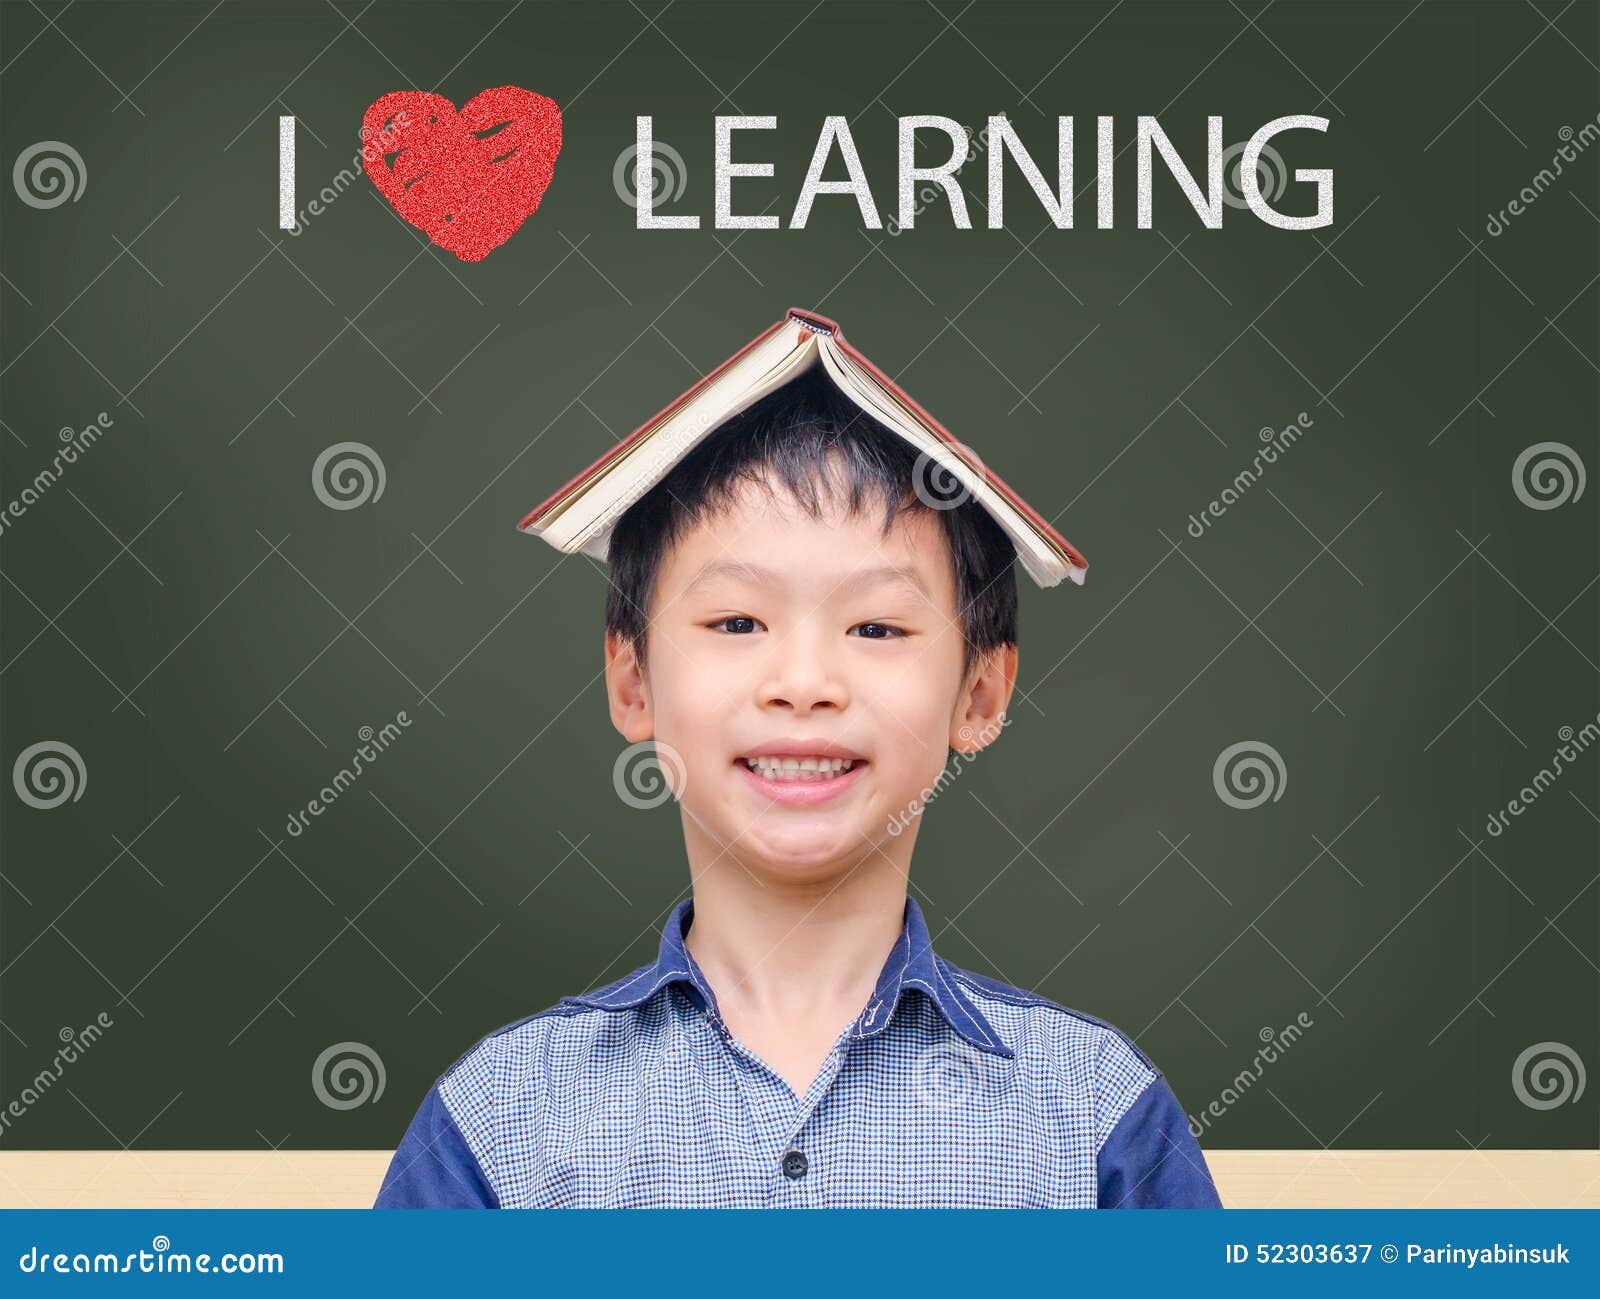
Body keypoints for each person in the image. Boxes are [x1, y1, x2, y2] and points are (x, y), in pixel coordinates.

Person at [374, 365, 1223, 1208]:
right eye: (737, 621)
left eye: (877, 626)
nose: (805, 682)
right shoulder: (501, 1117)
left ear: (979, 696)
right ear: (633, 682)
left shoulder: (1095, 1111)